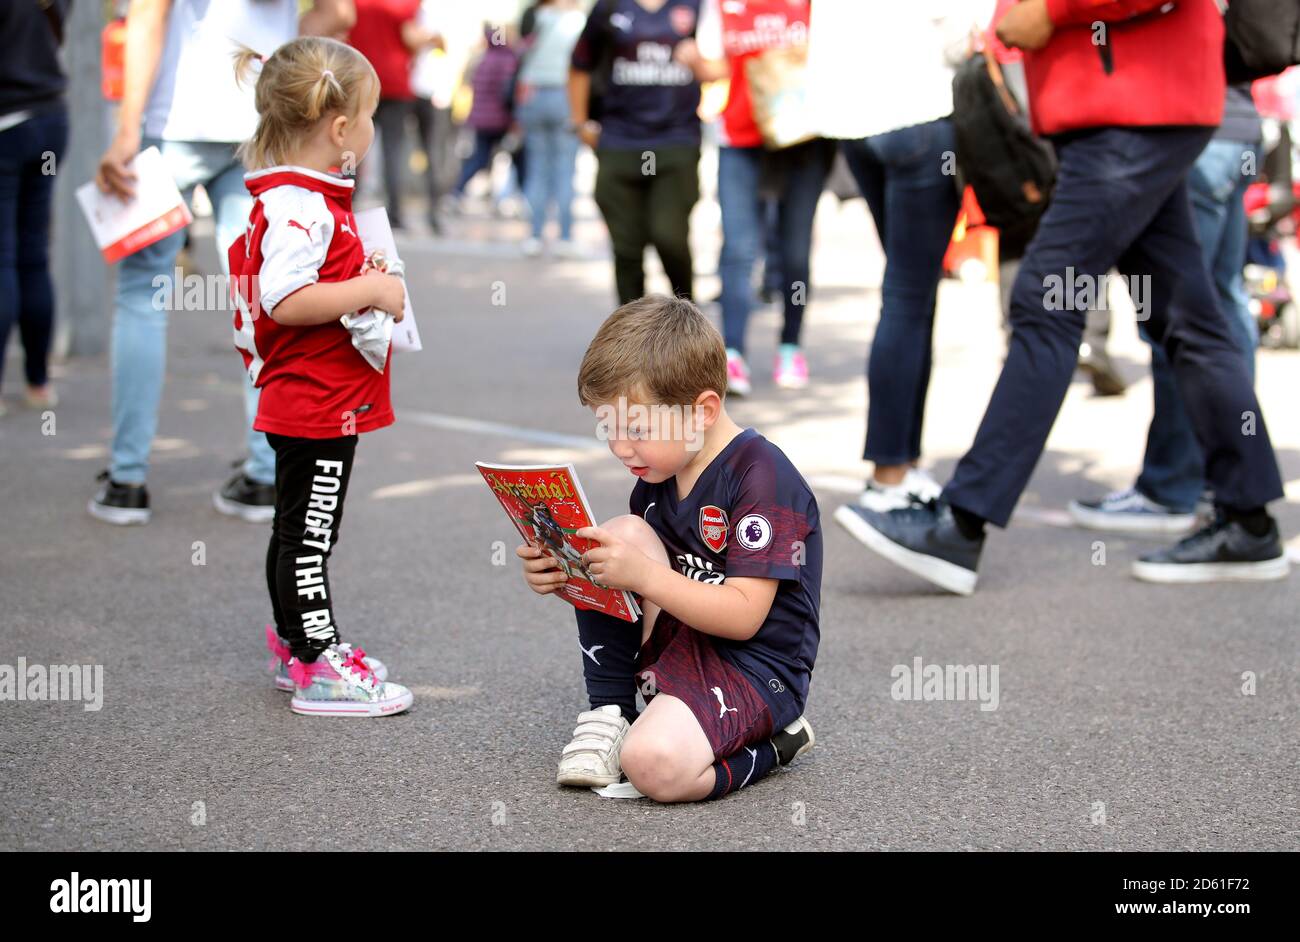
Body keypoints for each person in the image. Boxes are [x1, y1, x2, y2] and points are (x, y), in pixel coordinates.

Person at [835, 0, 1289, 591]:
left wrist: (1050, 11)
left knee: (1046, 302)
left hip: (1134, 105)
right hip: (1136, 101)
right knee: (1187, 315)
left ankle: (960, 526)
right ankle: (1248, 522)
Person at [518, 295, 820, 801]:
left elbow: (745, 617)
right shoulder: (661, 468)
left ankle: (778, 744)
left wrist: (642, 576)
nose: (619, 448)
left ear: (702, 411)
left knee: (652, 765)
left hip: (757, 669)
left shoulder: (762, 477)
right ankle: (611, 711)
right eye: (608, 428)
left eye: (636, 430)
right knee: (616, 538)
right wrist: (563, 571)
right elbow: (633, 578)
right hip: (685, 643)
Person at [89, 0, 355, 527]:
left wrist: (125, 132)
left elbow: (147, 15)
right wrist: (275, 66)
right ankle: (262, 477)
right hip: (260, 123)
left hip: (174, 118)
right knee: (264, 298)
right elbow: (339, 13)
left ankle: (127, 481)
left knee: (143, 294)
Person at [228, 36, 413, 717]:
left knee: (295, 528)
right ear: (341, 130)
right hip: (316, 403)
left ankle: (294, 644)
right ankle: (317, 660)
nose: (370, 129)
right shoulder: (302, 205)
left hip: (312, 399)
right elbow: (286, 298)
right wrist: (372, 291)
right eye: (368, 117)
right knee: (309, 536)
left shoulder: (302, 197)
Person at [806, 1, 993, 510]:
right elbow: (962, 28)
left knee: (910, 295)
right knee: (909, 298)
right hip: (920, 113)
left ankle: (901, 466)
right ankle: (890, 473)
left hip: (855, 123)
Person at [1070, 82, 1265, 534]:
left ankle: (1172, 487)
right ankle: (1223, 479)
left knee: (1179, 317)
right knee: (1224, 313)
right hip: (1236, 129)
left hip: (1193, 132)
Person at [678, 0, 831, 394]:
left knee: (794, 250)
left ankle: (790, 347)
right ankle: (731, 355)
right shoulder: (721, 6)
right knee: (738, 249)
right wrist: (694, 60)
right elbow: (716, 67)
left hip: (803, 139)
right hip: (740, 137)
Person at [569, 0, 702, 303]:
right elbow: (579, 64)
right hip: (620, 141)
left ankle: (690, 322)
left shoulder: (697, 5)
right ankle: (631, 340)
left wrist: (700, 64)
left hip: (675, 142)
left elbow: (718, 63)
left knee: (669, 237)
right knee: (627, 249)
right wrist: (580, 124)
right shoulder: (609, 7)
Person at [0, 0, 69, 418]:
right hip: (49, 118)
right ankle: (38, 384)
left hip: (6, 122)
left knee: (4, 257)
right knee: (33, 254)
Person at [348, 0, 443, 232]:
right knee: (394, 150)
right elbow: (410, 38)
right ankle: (395, 212)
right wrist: (433, 39)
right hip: (394, 83)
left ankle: (346, 204)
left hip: (359, 79)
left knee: (351, 150)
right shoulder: (405, 4)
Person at [515, 0, 586, 257]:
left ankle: (534, 236)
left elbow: (519, 49)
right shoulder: (577, 22)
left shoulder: (534, 17)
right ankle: (565, 238)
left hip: (532, 95)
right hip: (565, 94)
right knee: (565, 170)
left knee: (537, 168)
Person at [447, 25, 519, 212]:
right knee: (512, 158)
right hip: (500, 118)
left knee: (480, 157)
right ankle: (505, 198)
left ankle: (457, 192)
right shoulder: (508, 60)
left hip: (481, 118)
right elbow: (508, 92)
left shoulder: (484, 58)